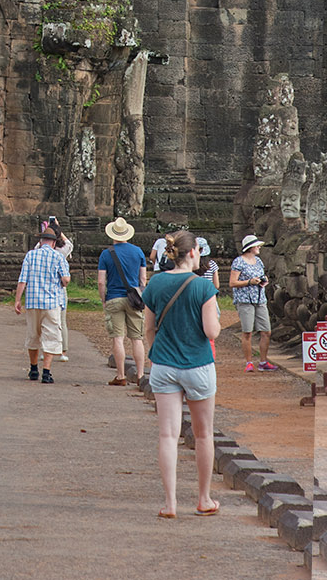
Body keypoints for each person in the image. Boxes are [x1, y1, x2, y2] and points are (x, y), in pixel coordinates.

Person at [142, 229, 221, 519]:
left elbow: (148, 327)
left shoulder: (157, 282)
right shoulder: (203, 287)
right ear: (192, 253)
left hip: (163, 365)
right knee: (202, 435)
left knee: (167, 434)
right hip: (198, 364)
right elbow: (211, 331)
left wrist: (155, 354)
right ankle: (203, 498)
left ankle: (170, 503)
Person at [14, 226, 70, 384]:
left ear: (41, 241)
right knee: (51, 335)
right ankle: (46, 372)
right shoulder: (58, 257)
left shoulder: (30, 255)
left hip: (32, 301)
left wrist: (18, 300)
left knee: (33, 334)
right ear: (53, 243)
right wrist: (60, 282)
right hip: (51, 303)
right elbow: (66, 279)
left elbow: (22, 280)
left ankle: (33, 369)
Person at [97, 216, 148, 386]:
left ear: (112, 234)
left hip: (114, 297)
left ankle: (120, 376)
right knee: (137, 338)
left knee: (117, 338)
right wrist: (140, 295)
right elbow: (143, 279)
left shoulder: (106, 254)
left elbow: (101, 281)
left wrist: (103, 299)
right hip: (134, 297)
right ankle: (140, 374)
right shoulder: (138, 252)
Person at [230, 233, 277, 372]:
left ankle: (263, 361)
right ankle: (249, 362)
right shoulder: (238, 262)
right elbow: (233, 282)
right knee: (247, 332)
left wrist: (263, 281)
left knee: (266, 331)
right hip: (245, 300)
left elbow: (262, 276)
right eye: (257, 246)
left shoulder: (259, 261)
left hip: (260, 299)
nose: (259, 248)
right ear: (250, 247)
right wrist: (249, 282)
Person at [45, 217, 73, 362]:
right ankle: (62, 351)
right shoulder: (62, 251)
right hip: (60, 290)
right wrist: (58, 229)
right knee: (61, 321)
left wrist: (47, 230)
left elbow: (40, 245)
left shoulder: (39, 251)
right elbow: (69, 243)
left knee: (45, 321)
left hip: (44, 289)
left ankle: (45, 350)